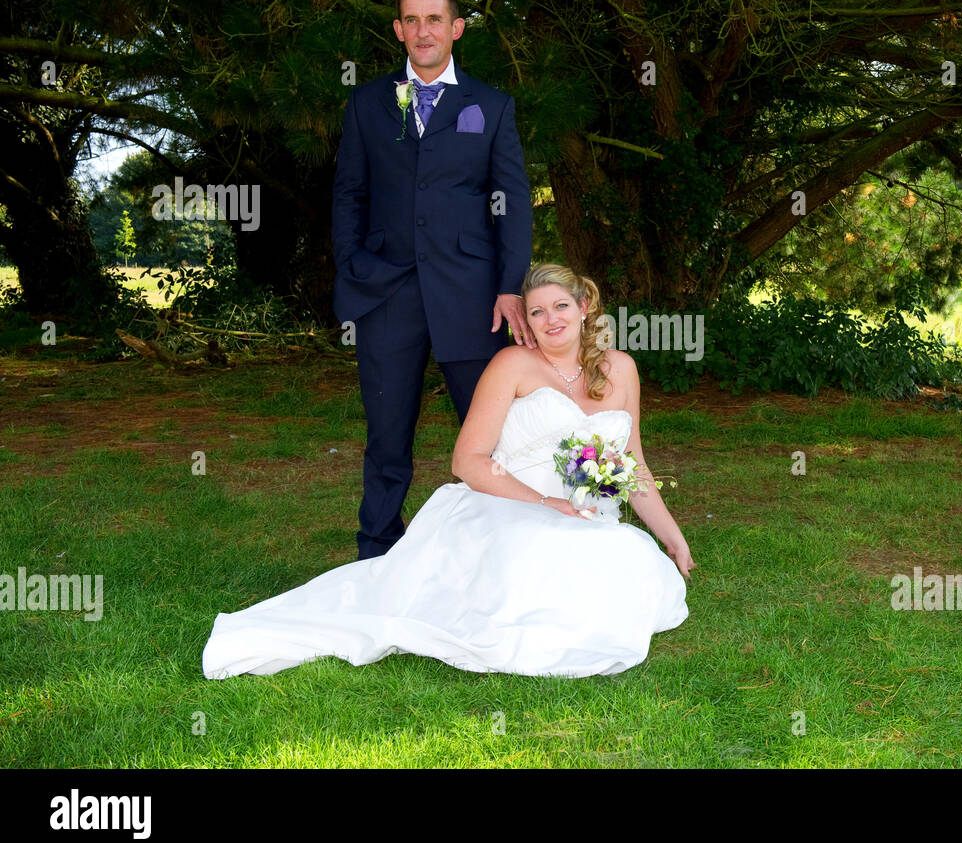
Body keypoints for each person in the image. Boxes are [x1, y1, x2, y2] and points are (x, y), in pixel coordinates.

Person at [202, 265, 696, 679]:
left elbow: (632, 467)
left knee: (623, 564)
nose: (550, 320)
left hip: (588, 513)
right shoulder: (511, 364)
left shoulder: (621, 369)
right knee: (538, 570)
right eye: (537, 311)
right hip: (510, 507)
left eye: (560, 307)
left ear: (584, 307)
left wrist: (672, 537)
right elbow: (467, 461)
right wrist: (547, 504)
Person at [332, 0, 535, 561]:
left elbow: (512, 203)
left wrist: (509, 288)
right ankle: (377, 551)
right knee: (387, 432)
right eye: (412, 20)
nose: (423, 31)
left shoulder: (490, 106)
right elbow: (349, 192)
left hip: (472, 296)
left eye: (435, 20)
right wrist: (352, 262)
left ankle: (500, 550)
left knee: (489, 434)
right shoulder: (367, 101)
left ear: (456, 29)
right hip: (386, 293)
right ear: (399, 30)